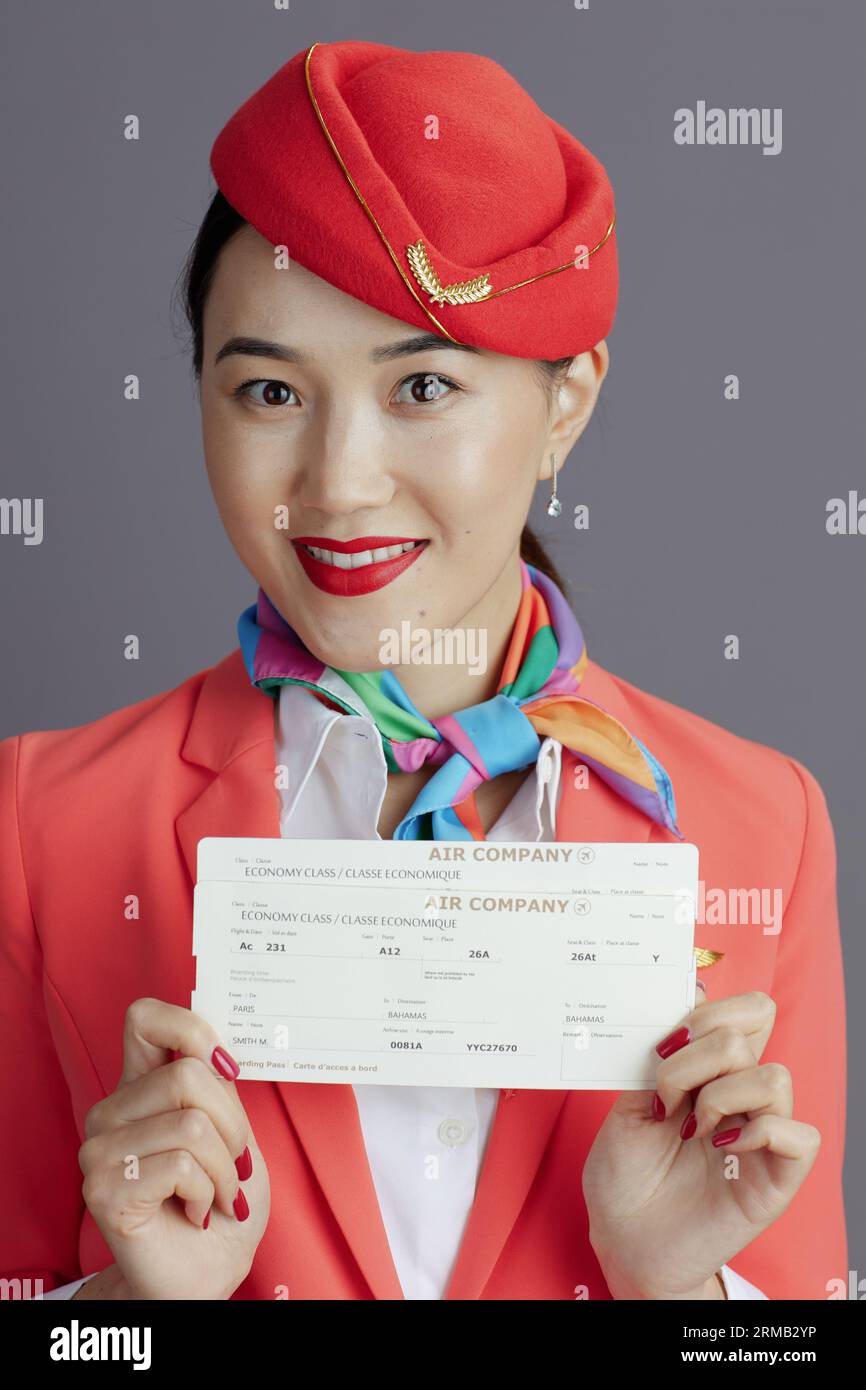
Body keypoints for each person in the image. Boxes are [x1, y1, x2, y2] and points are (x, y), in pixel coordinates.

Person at [0, 39, 846, 1302]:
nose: (337, 485)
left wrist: (676, 1294)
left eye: (424, 386)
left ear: (566, 403)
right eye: (271, 391)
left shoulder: (760, 826)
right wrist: (131, 1313)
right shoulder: (39, 823)